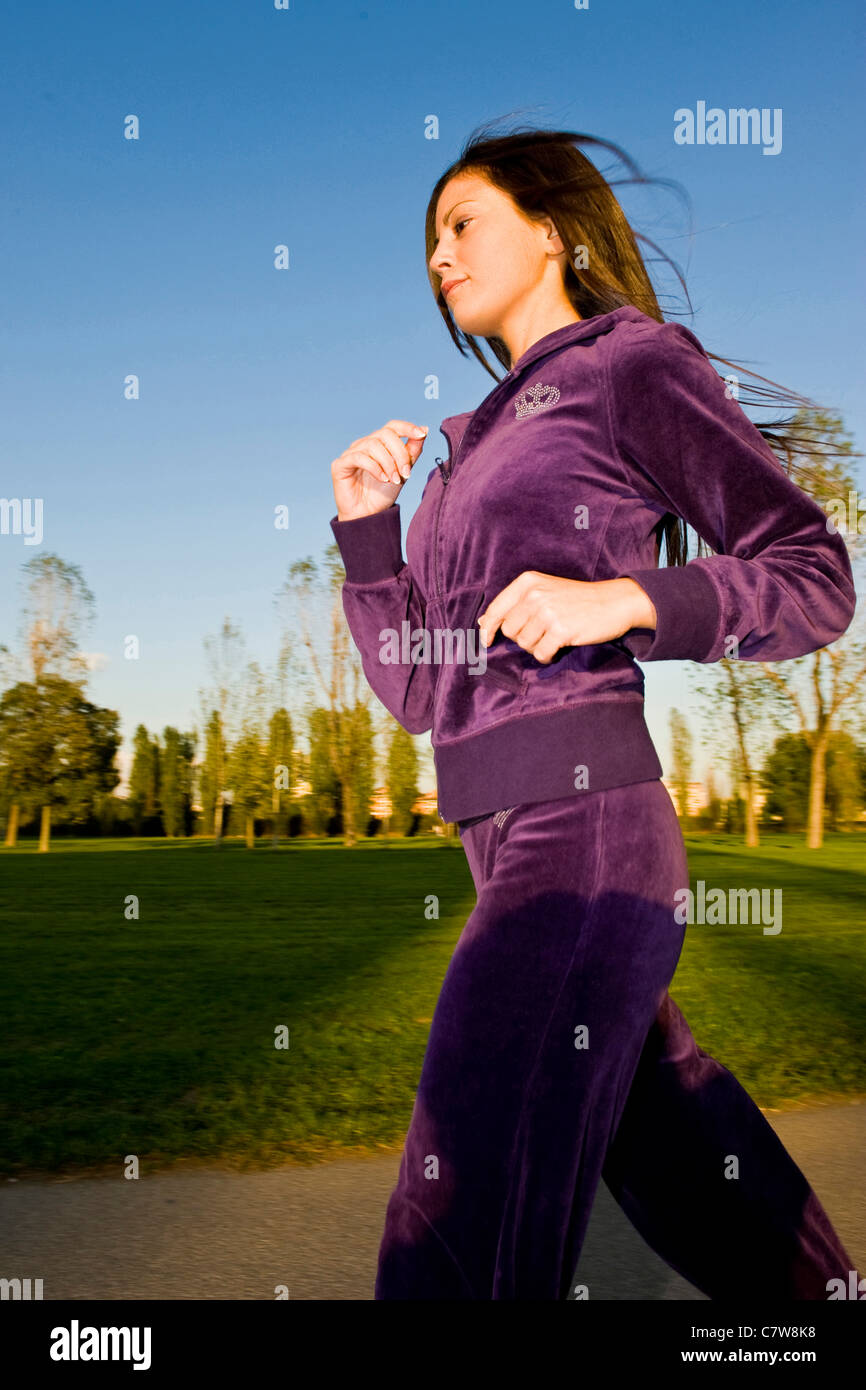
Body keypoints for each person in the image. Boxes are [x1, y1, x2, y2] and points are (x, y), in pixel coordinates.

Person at [328, 123, 859, 1300]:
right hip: (493, 831)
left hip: (583, 830)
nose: (437, 258)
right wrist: (369, 529)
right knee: (680, 1154)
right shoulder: (459, 458)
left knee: (461, 1179)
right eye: (426, 243)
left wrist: (622, 598)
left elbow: (814, 575)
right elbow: (419, 689)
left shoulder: (628, 367)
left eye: (460, 224)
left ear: (551, 232)